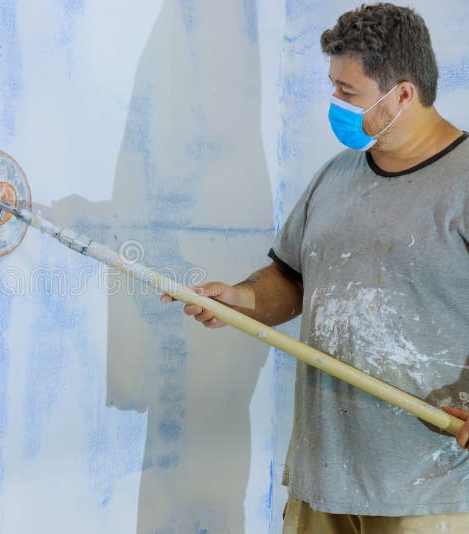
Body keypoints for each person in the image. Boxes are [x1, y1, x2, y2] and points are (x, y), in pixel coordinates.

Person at [161, 3, 469, 532]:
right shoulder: (335, 177)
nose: (335, 103)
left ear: (402, 93)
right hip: (321, 477)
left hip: (428, 490)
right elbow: (291, 280)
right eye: (333, 86)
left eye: (348, 92)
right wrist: (239, 299)